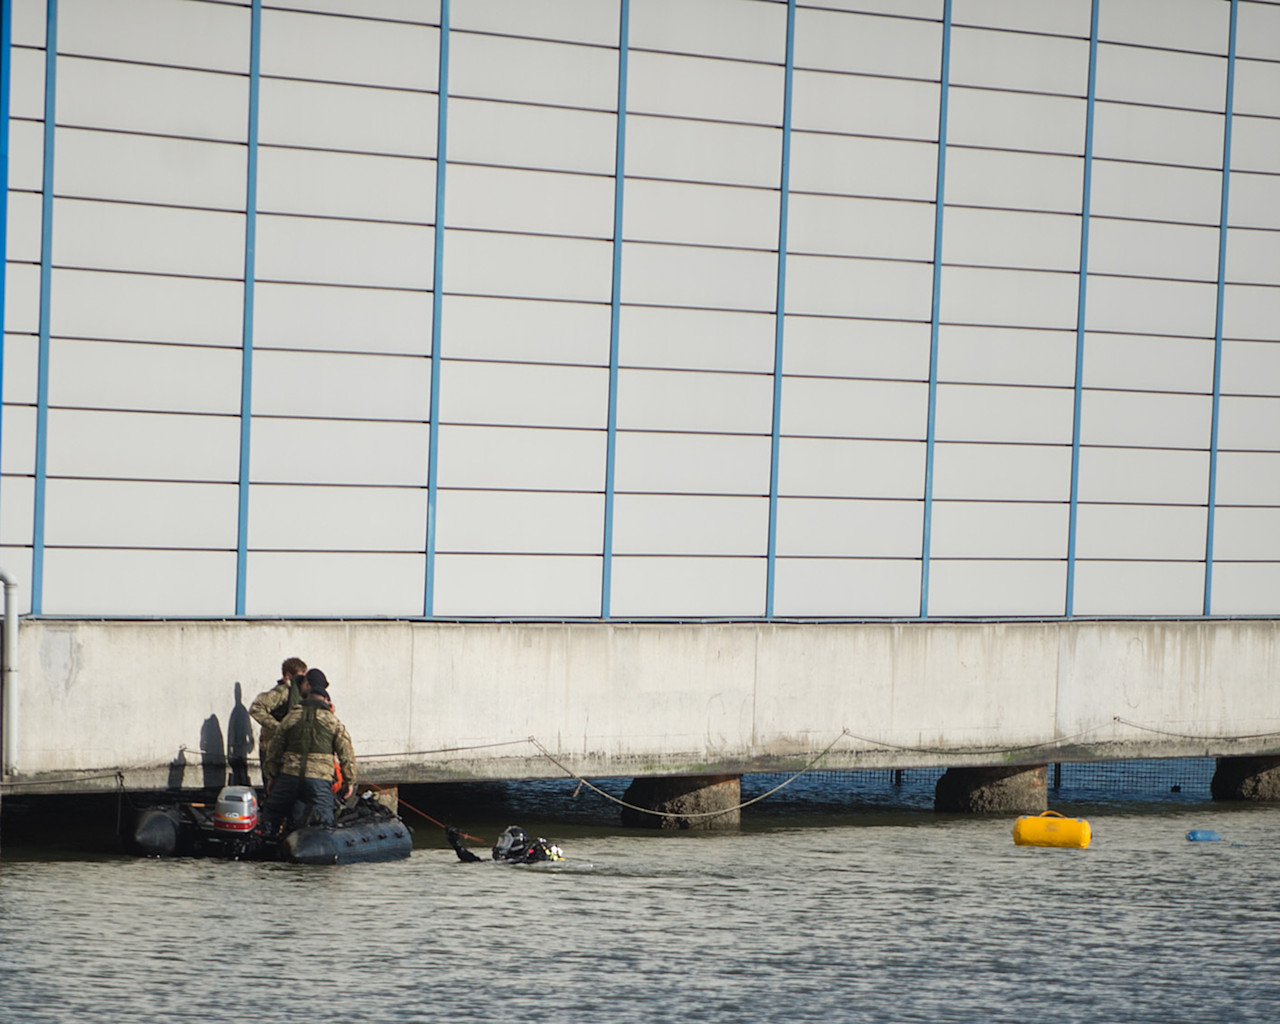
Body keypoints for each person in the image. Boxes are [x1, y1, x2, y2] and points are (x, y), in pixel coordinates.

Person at [260, 668, 357, 838]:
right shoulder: (332, 721)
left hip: (289, 777)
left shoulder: (291, 717)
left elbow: (274, 749)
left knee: (272, 814)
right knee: (325, 820)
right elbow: (346, 753)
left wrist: (271, 776)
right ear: (325, 700)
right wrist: (349, 781)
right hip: (319, 780)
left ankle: (268, 847)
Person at [249, 657, 307, 786]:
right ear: (287, 676)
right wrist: (278, 727)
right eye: (299, 678)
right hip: (271, 747)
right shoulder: (282, 692)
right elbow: (256, 708)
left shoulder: (297, 694)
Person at [446, 824, 564, 863]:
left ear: (516, 842)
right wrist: (456, 844)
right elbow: (475, 861)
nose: (501, 845)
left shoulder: (530, 856)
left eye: (506, 841)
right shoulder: (507, 859)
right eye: (502, 841)